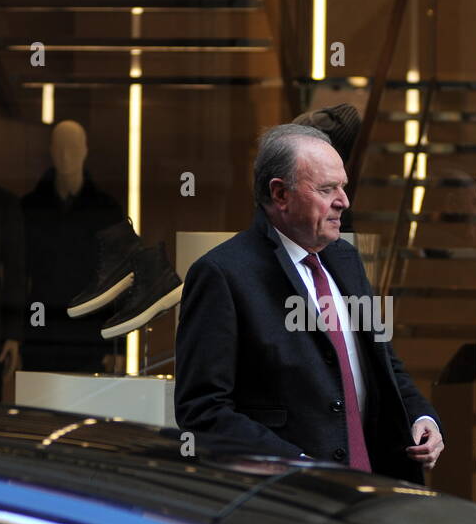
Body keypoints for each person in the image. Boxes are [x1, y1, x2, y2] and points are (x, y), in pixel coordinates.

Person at [174, 123, 444, 484]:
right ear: (280, 194)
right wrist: (296, 465)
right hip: (285, 502)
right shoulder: (222, 274)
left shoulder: (345, 258)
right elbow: (203, 410)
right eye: (326, 189)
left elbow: (384, 363)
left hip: (374, 491)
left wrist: (421, 418)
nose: (343, 201)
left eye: (343, 187)